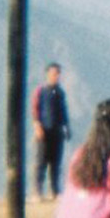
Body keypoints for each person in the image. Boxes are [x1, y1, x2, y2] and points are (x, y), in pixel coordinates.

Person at [32, 62, 72, 200]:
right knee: (41, 162)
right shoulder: (40, 91)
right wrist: (37, 126)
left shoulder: (60, 92)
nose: (57, 76)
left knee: (56, 163)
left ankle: (55, 191)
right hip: (44, 131)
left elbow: (63, 111)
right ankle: (38, 192)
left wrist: (67, 127)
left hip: (57, 131)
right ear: (48, 74)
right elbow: (35, 109)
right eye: (54, 73)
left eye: (58, 73)